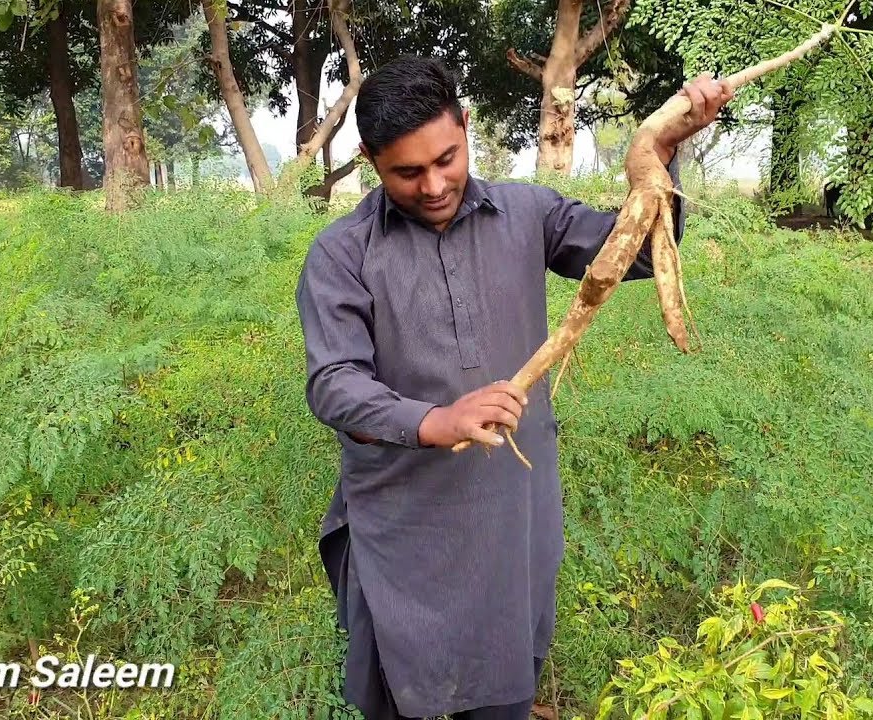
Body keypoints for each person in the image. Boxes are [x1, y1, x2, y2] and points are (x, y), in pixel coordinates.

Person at [295, 56, 732, 720]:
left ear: (466, 127)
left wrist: (660, 151)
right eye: (407, 173)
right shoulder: (342, 255)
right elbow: (335, 385)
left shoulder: (528, 212)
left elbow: (636, 252)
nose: (435, 184)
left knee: (502, 690)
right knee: (392, 691)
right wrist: (437, 421)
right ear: (370, 159)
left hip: (509, 519)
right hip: (402, 530)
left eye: (448, 157)